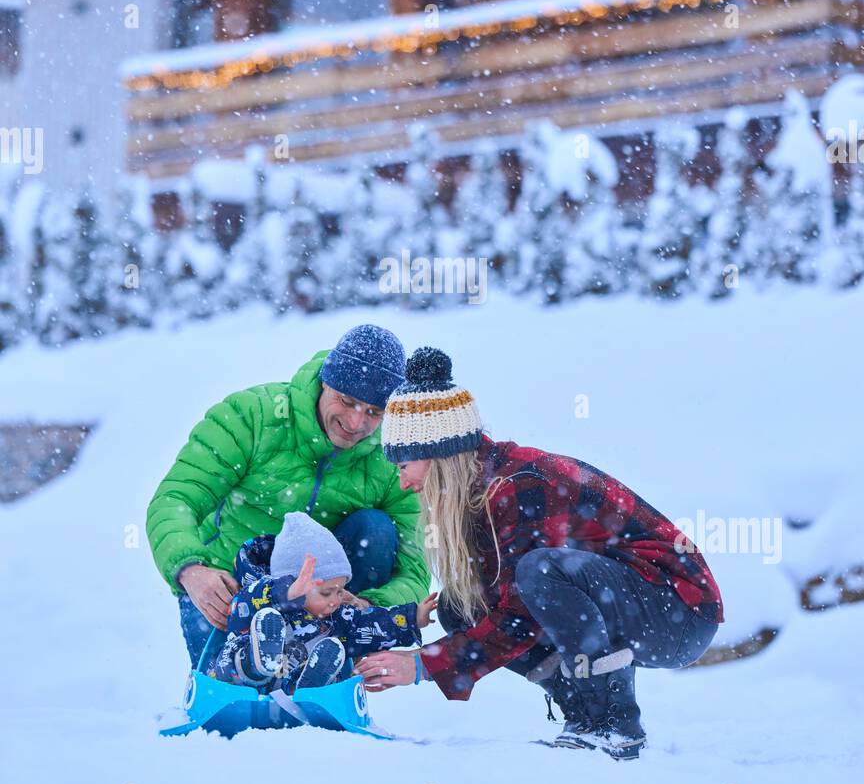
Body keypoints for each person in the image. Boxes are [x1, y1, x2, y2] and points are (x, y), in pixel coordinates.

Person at [355, 347, 723, 760]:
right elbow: (507, 610)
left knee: (540, 571)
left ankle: (613, 725)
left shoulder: (520, 485)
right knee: (459, 607)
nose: (403, 482)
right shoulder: (480, 491)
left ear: (438, 456)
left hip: (679, 612)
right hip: (632, 607)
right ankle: (582, 714)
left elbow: (521, 615)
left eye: (404, 465)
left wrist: (424, 665)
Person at [146, 325, 430, 667]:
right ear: (326, 382)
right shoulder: (251, 416)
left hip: (325, 599)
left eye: (374, 411)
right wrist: (191, 571)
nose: (356, 422)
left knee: (377, 528)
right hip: (233, 587)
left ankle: (330, 663)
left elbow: (415, 564)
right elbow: (176, 499)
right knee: (234, 686)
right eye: (347, 401)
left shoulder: (394, 457)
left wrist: (371, 607)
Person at [208, 513, 438, 692]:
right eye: (327, 593)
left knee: (333, 656)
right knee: (236, 651)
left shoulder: (338, 617)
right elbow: (239, 610)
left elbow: (372, 624)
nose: (336, 600)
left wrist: (411, 618)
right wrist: (287, 592)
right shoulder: (258, 598)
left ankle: (310, 684)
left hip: (293, 687)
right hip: (240, 684)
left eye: (341, 590)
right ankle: (257, 661)